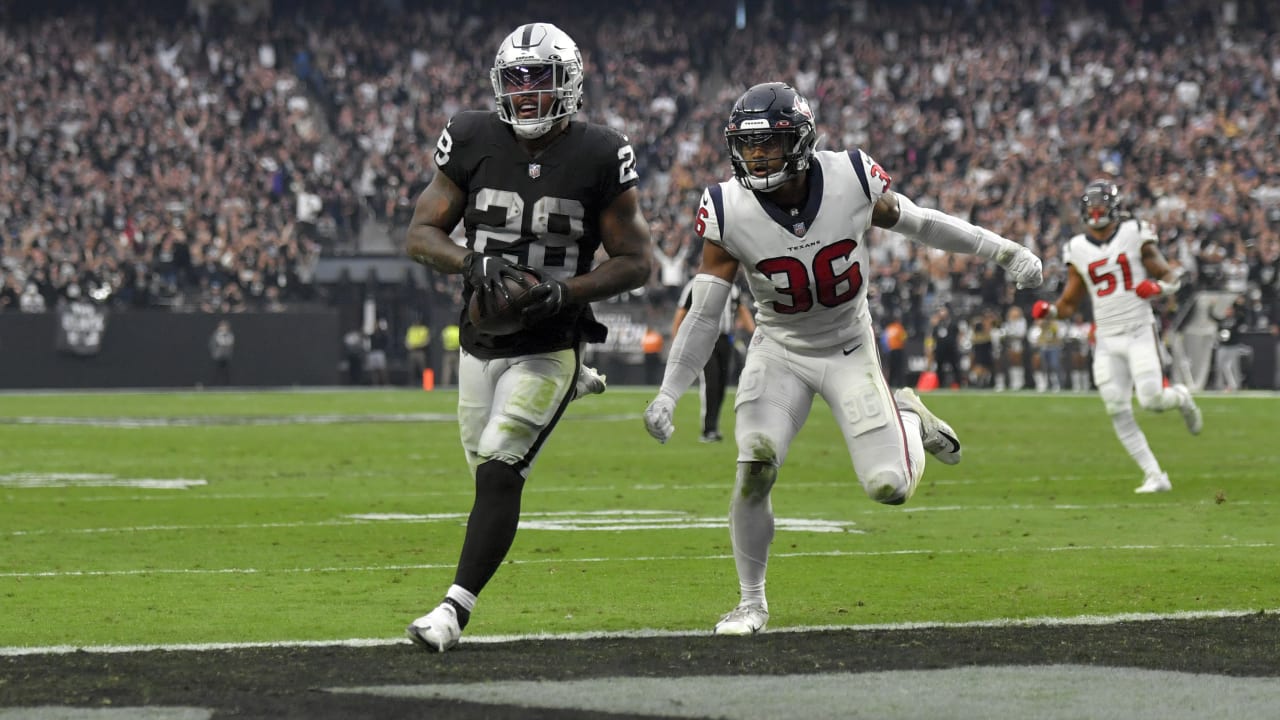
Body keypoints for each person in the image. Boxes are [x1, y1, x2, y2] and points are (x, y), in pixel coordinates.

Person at [643, 82, 1043, 636]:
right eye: (748, 144)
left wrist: (1003, 250)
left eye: (771, 143)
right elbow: (706, 312)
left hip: (850, 347)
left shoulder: (849, 177)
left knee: (889, 488)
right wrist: (669, 391)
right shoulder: (727, 208)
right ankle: (750, 602)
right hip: (779, 348)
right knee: (755, 464)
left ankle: (909, 418)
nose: (757, 155)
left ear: (801, 142)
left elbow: (922, 222)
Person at [402, 22, 653, 652]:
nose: (527, 93)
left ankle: (452, 612)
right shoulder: (472, 135)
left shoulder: (600, 153)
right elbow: (419, 234)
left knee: (500, 467)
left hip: (550, 340)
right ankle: (570, 391)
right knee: (483, 466)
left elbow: (638, 261)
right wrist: (470, 261)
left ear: (568, 83)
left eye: (539, 79)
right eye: (516, 79)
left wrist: (566, 292)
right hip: (480, 338)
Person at [1032, 179, 1202, 494]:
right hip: (1107, 338)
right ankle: (1155, 475)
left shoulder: (1134, 232)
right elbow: (1070, 303)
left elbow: (1171, 275)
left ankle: (1181, 397)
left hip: (1138, 329)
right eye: (1091, 205)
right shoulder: (1077, 249)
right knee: (1116, 407)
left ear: (1113, 207)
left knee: (1151, 399)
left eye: (1101, 204)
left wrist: (1159, 288)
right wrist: (1051, 312)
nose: (1096, 211)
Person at [671, 275, 756, 442]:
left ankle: (713, 427)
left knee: (722, 383)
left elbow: (741, 309)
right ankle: (708, 429)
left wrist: (754, 333)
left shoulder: (732, 287)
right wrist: (677, 340)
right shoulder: (696, 285)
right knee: (711, 381)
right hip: (704, 339)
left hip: (726, 340)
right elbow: (681, 311)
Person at [1210, 294, 1251, 391]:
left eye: (1230, 310)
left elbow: (1243, 316)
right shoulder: (1222, 320)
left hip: (1233, 346)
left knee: (1234, 366)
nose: (1228, 311)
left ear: (1232, 311)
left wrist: (1240, 304)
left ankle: (1236, 385)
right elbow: (1212, 316)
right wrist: (1212, 306)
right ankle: (1219, 385)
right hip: (1223, 346)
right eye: (1227, 310)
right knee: (1219, 365)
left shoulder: (1236, 320)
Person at [405, 317, 431, 387]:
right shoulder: (411, 329)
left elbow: (427, 341)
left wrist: (419, 345)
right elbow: (407, 340)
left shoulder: (424, 329)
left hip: (420, 351)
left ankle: (426, 384)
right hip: (412, 351)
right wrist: (408, 345)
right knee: (411, 369)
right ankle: (411, 384)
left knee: (422, 368)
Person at [208, 320, 235, 386]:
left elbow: (230, 344)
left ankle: (227, 385)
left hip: (226, 356)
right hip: (218, 356)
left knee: (226, 372)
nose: (223, 328)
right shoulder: (216, 335)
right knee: (216, 371)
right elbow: (213, 344)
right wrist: (215, 353)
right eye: (222, 326)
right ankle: (214, 384)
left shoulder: (230, 335)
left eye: (225, 327)